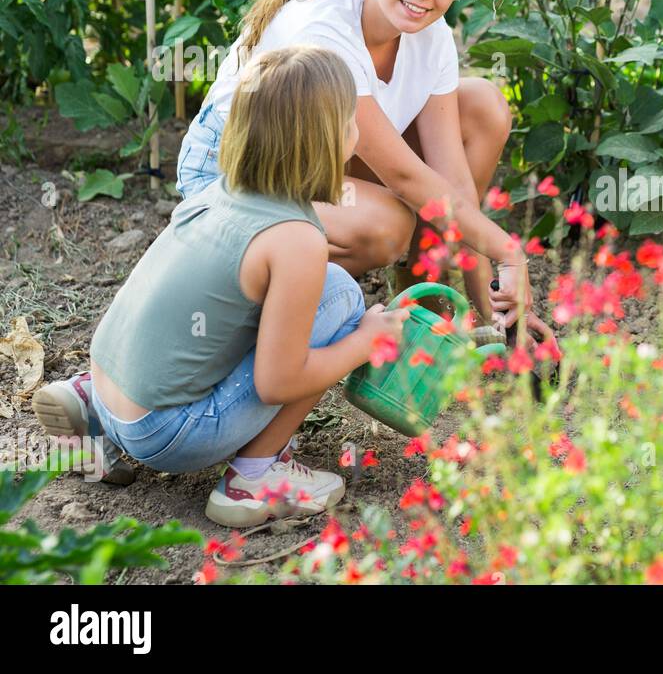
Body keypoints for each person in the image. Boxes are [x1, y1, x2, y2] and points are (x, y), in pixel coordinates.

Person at [33, 46, 410, 528]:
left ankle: (92, 410)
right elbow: (279, 381)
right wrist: (365, 342)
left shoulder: (221, 191)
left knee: (319, 291)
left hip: (110, 375)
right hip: (169, 433)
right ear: (327, 140)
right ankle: (254, 478)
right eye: (351, 122)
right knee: (342, 302)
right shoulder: (296, 240)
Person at [176, 0, 552, 345]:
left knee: (482, 107)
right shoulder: (325, 29)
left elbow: (452, 185)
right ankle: (255, 309)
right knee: (387, 224)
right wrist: (510, 253)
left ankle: (423, 303)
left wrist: (499, 317)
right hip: (233, 172)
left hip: (315, 161)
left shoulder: (431, 37)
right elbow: (406, 180)